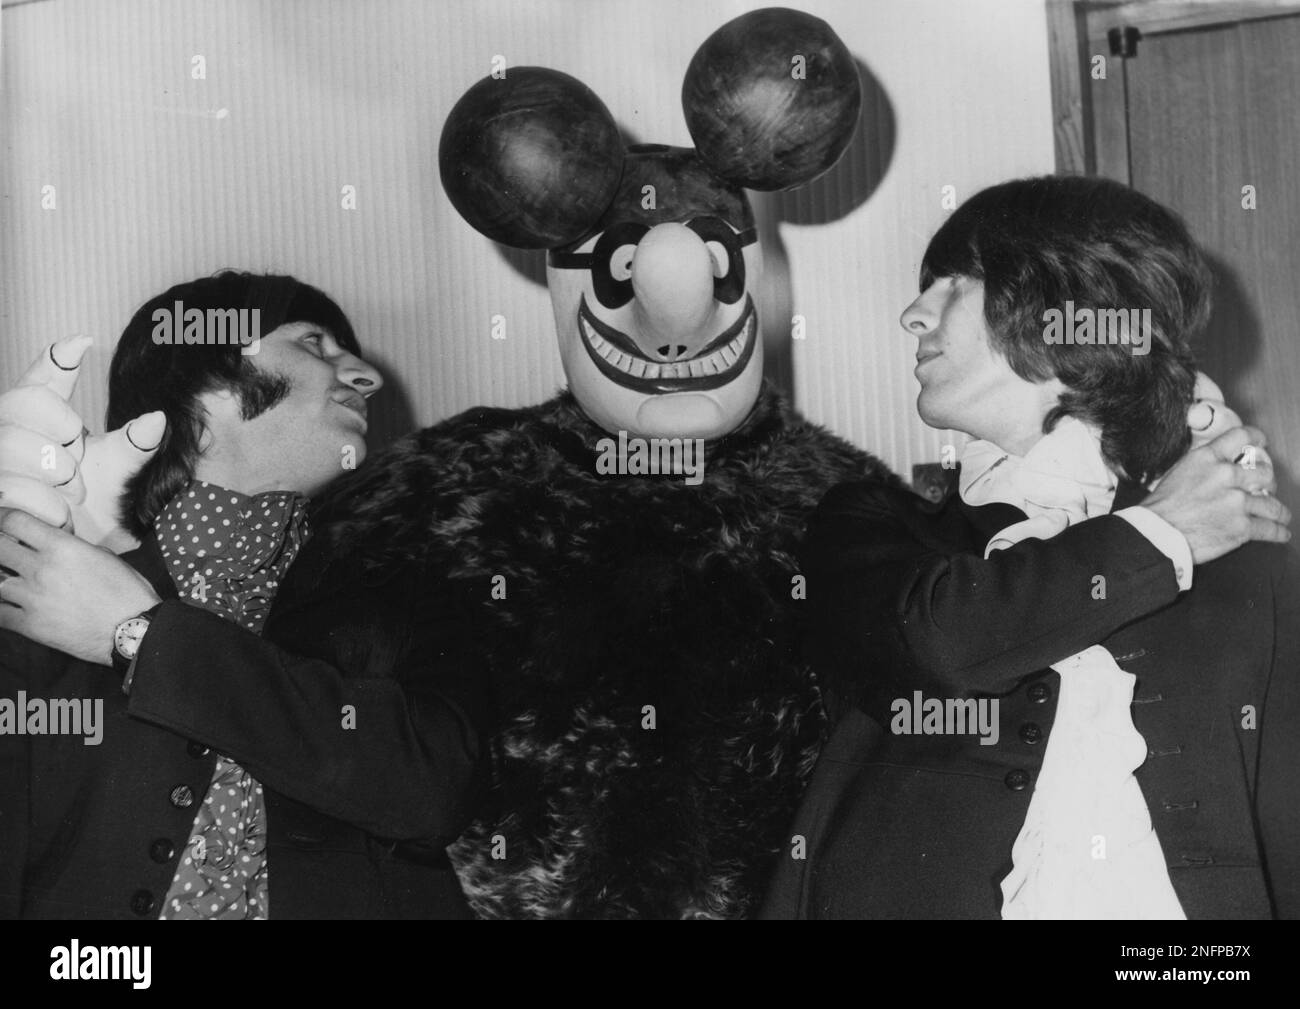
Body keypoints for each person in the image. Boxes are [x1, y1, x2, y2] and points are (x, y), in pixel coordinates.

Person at [761, 175, 1298, 919]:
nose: (914, 314)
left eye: (955, 283)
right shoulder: (874, 525)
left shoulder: (1244, 554)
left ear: (1069, 306)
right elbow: (943, 645)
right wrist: (1164, 530)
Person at [0, 271, 489, 919]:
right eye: (313, 342)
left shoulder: (404, 585)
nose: (368, 376)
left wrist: (142, 635)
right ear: (208, 375)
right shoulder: (35, 588)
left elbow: (435, 791)